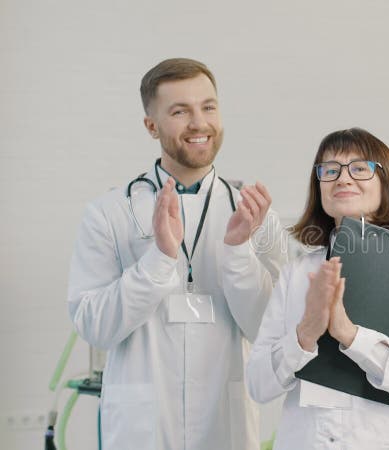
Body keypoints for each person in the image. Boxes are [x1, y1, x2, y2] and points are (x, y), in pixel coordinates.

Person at [67, 58, 287, 450]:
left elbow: (271, 331)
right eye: (180, 111)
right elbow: (94, 326)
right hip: (144, 427)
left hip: (226, 424)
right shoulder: (109, 213)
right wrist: (159, 260)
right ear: (151, 126)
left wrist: (238, 252)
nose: (199, 123)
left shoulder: (255, 215)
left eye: (208, 106)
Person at [246, 128, 389, 449]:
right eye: (330, 170)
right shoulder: (296, 273)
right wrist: (304, 335)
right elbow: (258, 384)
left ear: (387, 183)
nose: (342, 179)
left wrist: (352, 336)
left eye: (359, 168)